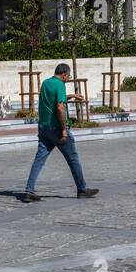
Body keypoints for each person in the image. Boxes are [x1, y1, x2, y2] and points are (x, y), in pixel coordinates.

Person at [23, 63, 99, 202]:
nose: (68, 79)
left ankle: (29, 190)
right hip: (57, 129)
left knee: (39, 160)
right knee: (73, 159)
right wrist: (64, 129)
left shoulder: (46, 83)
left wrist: (71, 96)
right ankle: (82, 190)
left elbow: (52, 99)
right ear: (64, 74)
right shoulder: (60, 85)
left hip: (44, 128)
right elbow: (59, 107)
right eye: (68, 76)